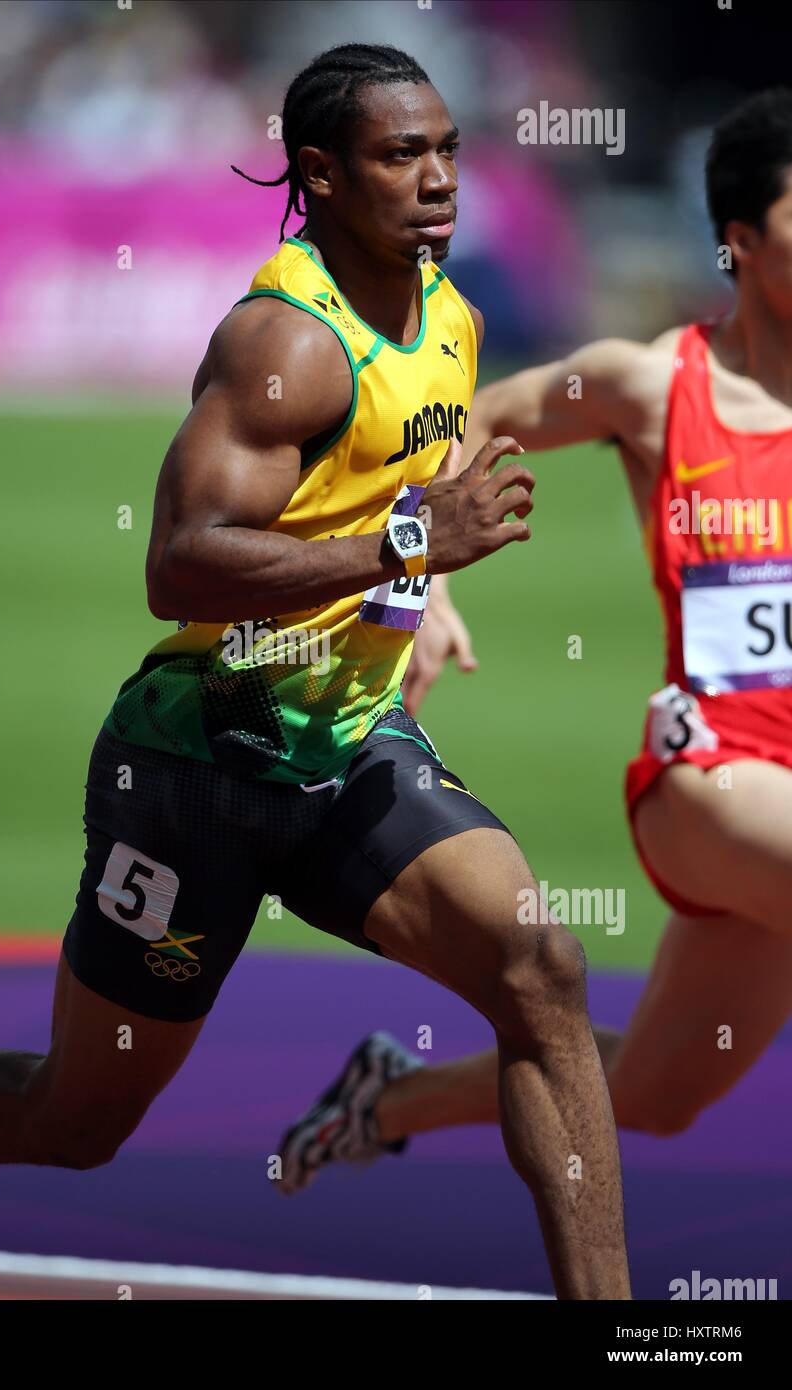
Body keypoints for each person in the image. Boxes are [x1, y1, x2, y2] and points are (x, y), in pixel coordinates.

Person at [0, 44, 630, 1300]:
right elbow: (181, 566)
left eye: (446, 148)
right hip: (195, 764)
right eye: (403, 154)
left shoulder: (450, 314)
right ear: (322, 175)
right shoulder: (286, 343)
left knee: (540, 972)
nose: (439, 178)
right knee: (76, 1122)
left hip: (347, 752)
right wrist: (407, 543)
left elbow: (392, 499)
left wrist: (420, 587)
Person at [277, 87, 792, 1190]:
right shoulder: (653, 385)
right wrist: (426, 576)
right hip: (715, 773)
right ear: (741, 241)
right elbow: (466, 411)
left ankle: (390, 1096)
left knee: (655, 1094)